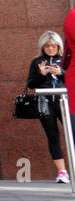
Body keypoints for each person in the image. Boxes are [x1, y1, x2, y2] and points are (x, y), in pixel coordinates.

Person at [27, 30, 70, 183]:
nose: (50, 49)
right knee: (53, 136)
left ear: (59, 46)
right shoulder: (37, 61)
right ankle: (62, 171)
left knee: (72, 133)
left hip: (65, 100)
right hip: (45, 103)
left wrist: (61, 72)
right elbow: (30, 84)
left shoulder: (65, 60)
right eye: (47, 46)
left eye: (53, 46)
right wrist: (41, 74)